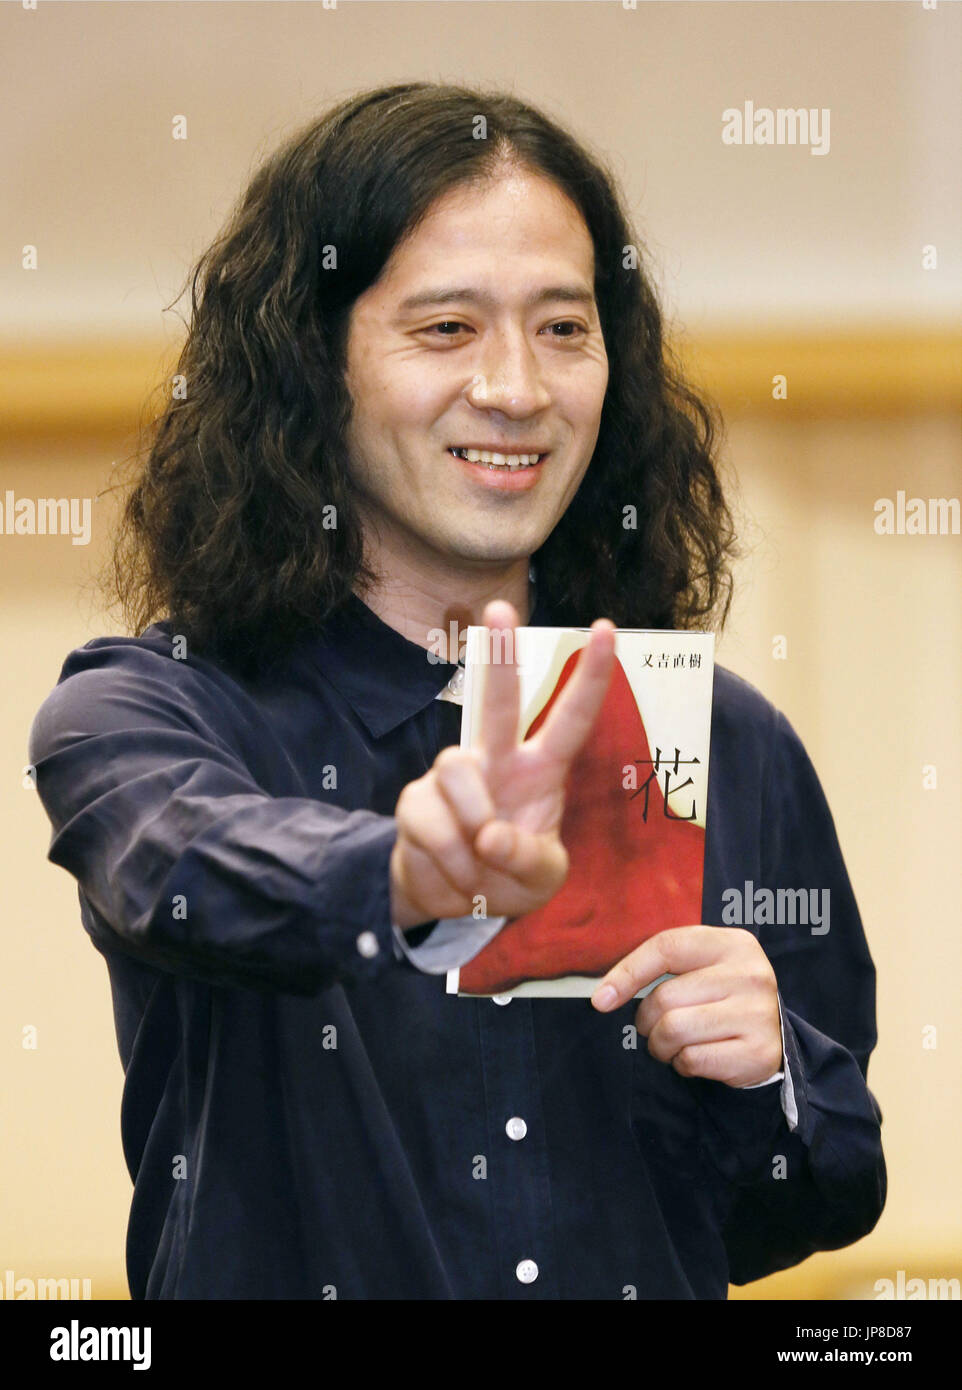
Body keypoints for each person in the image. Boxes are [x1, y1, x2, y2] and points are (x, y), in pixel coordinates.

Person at [28, 81, 885, 1300]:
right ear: (310, 365)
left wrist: (766, 1076)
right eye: (444, 330)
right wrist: (403, 878)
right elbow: (182, 872)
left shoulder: (720, 735)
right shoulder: (150, 710)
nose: (517, 390)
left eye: (562, 328)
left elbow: (821, 1198)